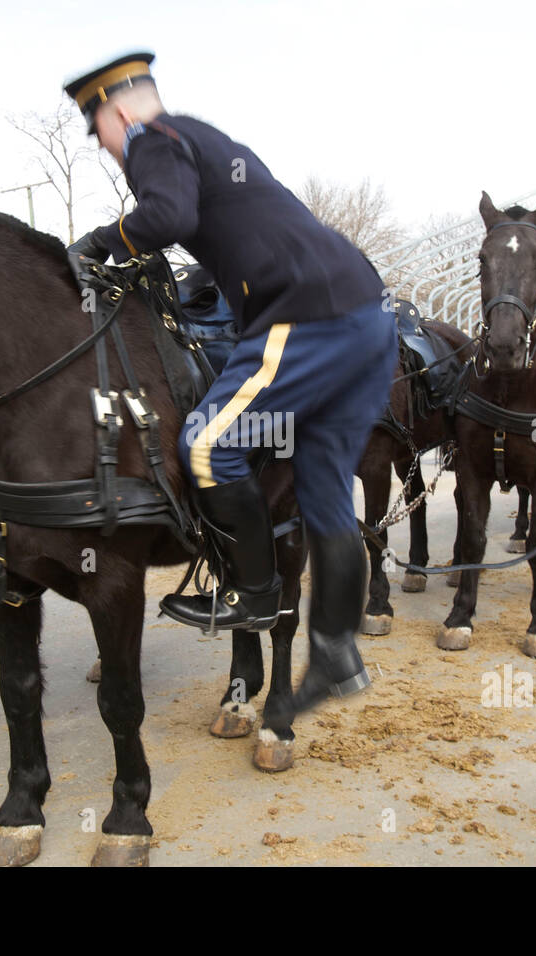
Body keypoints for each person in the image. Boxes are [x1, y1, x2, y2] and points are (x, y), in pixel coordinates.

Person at [63, 53, 395, 716]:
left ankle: (253, 592)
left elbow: (165, 219)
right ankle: (335, 650)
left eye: (98, 129)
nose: (104, 145)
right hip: (365, 317)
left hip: (305, 314)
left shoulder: (154, 138)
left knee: (209, 444)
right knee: (325, 494)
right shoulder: (212, 142)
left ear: (118, 111)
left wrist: (99, 242)